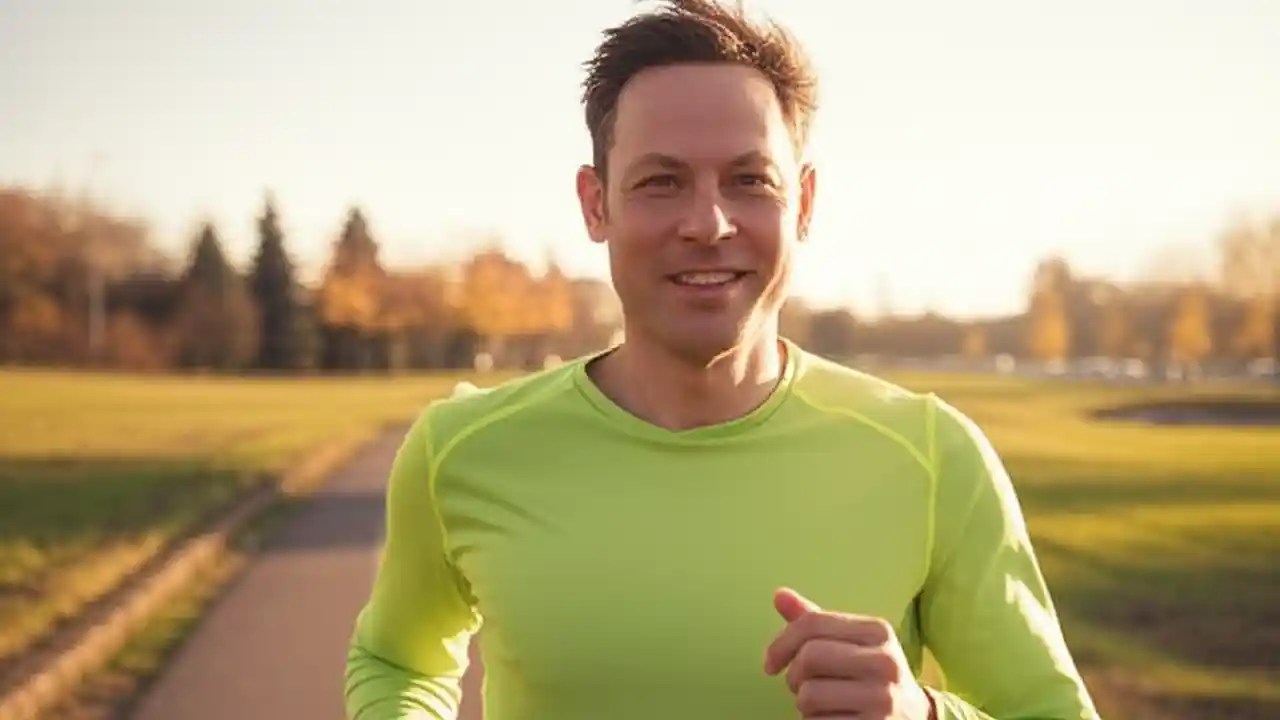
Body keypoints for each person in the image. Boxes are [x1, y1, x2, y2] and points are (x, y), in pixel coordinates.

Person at [344, 1, 1101, 718]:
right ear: (596, 204)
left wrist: (922, 712)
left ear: (804, 203)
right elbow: (396, 660)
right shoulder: (462, 451)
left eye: (749, 180)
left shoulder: (934, 458)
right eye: (661, 182)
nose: (708, 223)